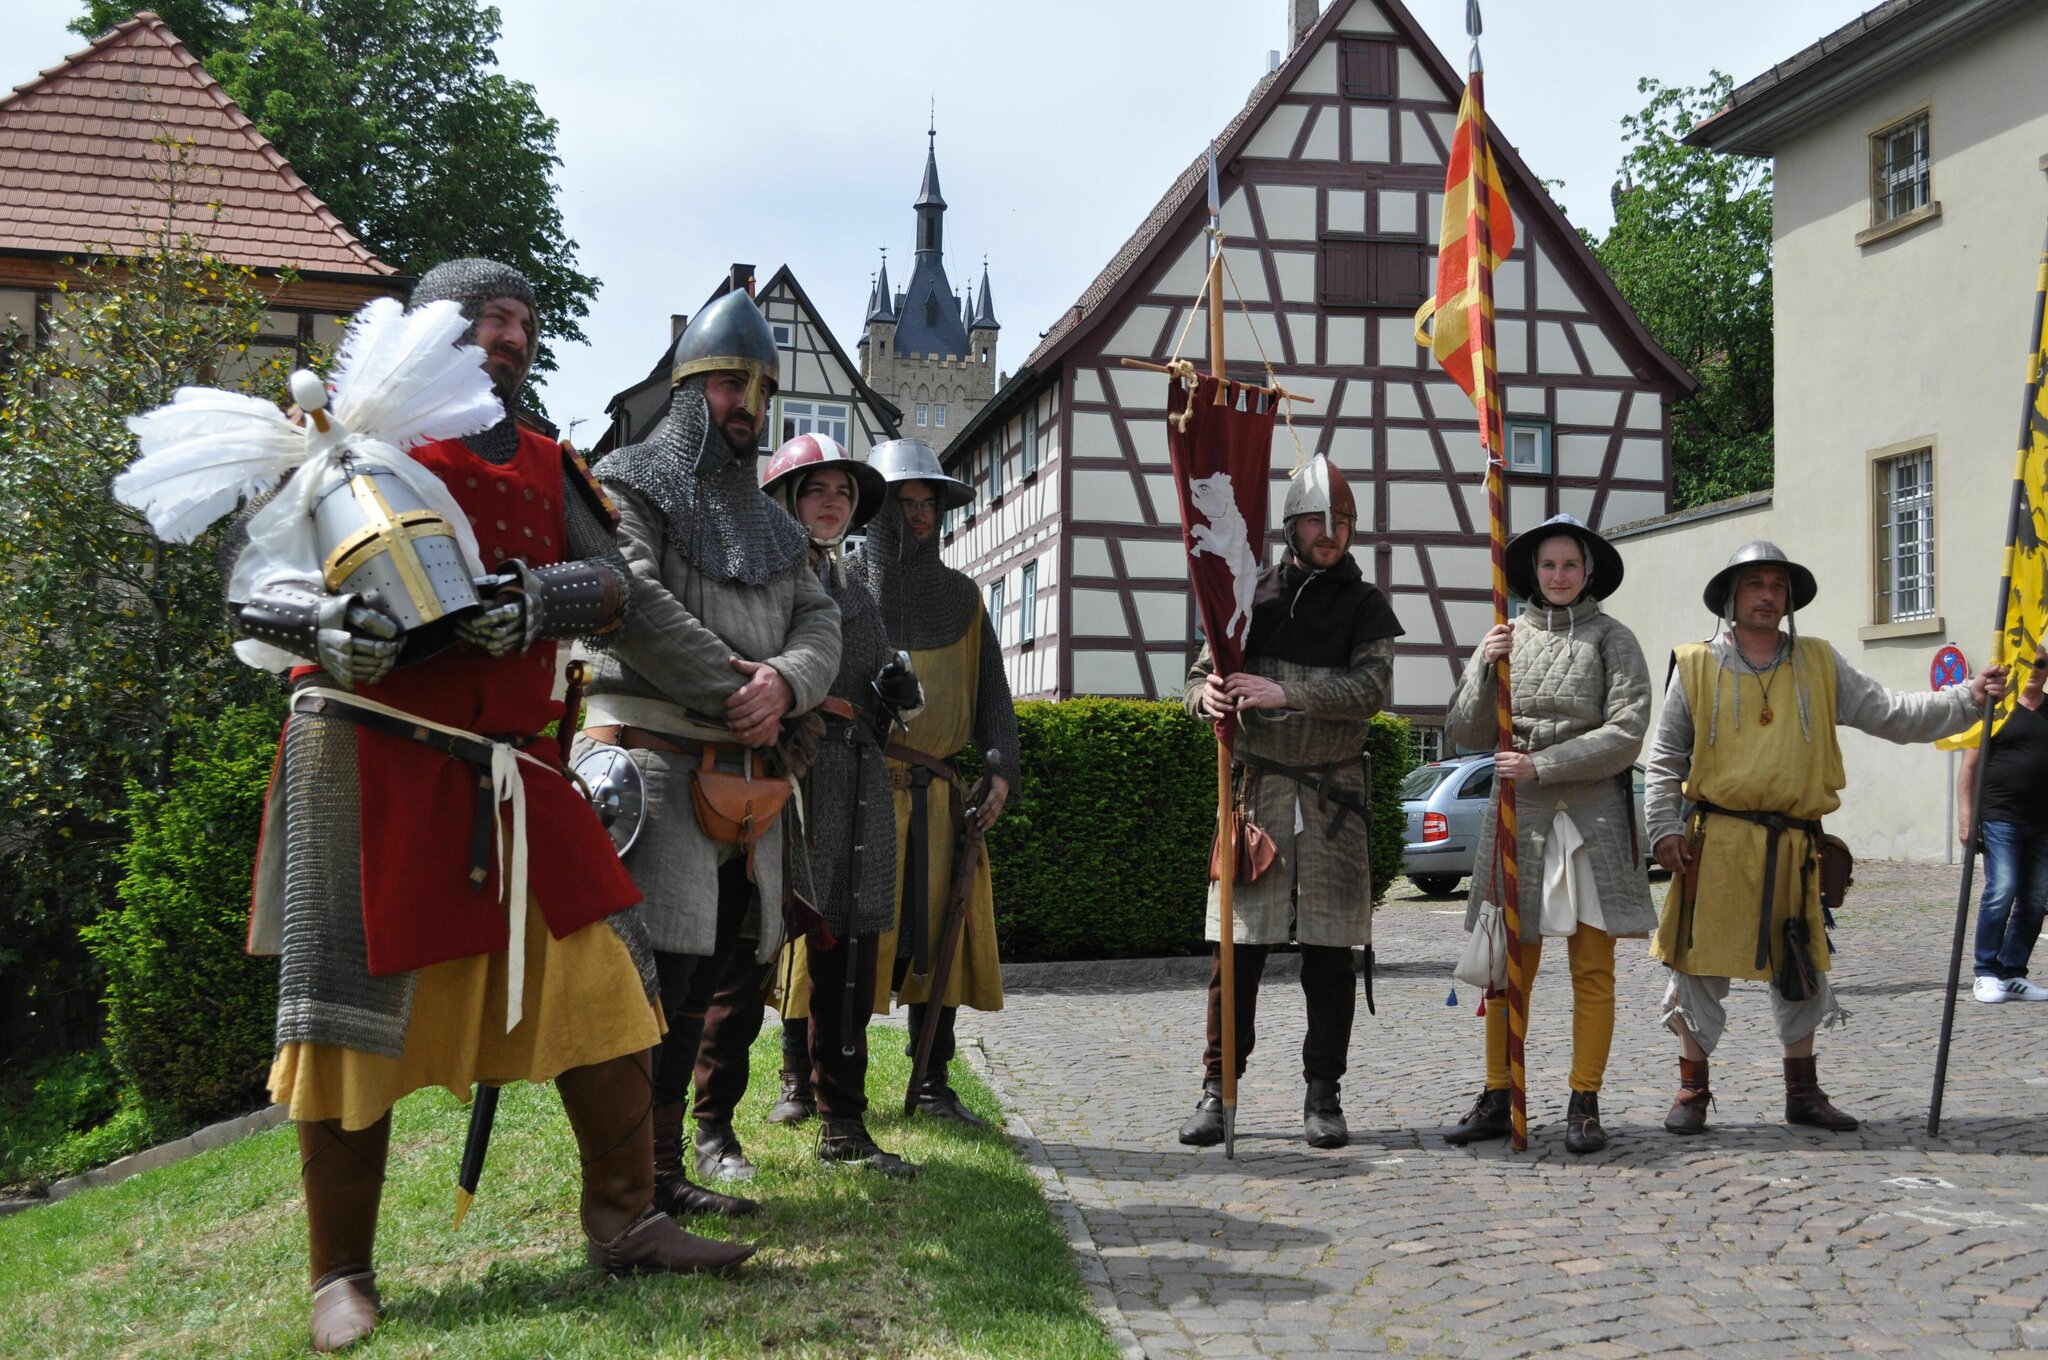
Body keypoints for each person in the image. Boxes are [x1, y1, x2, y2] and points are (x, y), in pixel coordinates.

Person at [235, 259, 751, 1352]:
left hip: (516, 766)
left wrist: (538, 599)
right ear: (433, 331)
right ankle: (341, 1272)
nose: (507, 337)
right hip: (371, 757)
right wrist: (322, 629)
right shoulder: (354, 439)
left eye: (521, 321)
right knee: (346, 1022)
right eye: (485, 319)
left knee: (608, 989)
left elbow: (614, 583)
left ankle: (624, 1220)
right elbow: (252, 584)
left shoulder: (545, 461)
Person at [574, 282, 841, 1209]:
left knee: (717, 972)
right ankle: (628, 1186)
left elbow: (820, 623)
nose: (748, 405)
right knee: (654, 972)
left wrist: (788, 684)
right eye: (731, 383)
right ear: (693, 386)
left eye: (759, 389)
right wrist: (742, 690)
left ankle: (659, 1175)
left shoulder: (773, 521)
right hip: (655, 761)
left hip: (745, 779)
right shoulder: (631, 481)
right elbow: (633, 601)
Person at [1646, 541, 2008, 1135]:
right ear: (1732, 597)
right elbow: (1664, 761)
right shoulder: (1694, 665)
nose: (1768, 595)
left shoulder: (1818, 662)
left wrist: (1966, 698)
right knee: (1697, 967)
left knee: (1801, 966)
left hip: (1793, 846)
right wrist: (1663, 829)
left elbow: (1893, 713)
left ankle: (1803, 1092)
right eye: (1756, 584)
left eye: (1778, 587)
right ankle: (1691, 1090)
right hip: (1717, 844)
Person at [1177, 454, 1402, 1150]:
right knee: (1236, 954)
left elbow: (1370, 692)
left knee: (1330, 953)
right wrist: (1205, 695)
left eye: (1340, 521)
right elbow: (1195, 677)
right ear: (1292, 524)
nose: (1328, 531)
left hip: (1334, 796)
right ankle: (1219, 1092)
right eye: (1316, 519)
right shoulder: (1249, 593)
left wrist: (1288, 692)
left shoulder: (1365, 606)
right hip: (1258, 794)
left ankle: (1323, 1094)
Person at [1437, 514, 1654, 1154]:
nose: (1559, 576)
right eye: (1549, 565)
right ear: (1533, 572)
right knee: (1508, 965)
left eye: (1571, 565)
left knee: (1593, 968)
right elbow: (1467, 732)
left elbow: (1625, 732)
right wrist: (1484, 667)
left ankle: (1584, 1101)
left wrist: (1544, 763)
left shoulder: (1615, 640)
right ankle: (1499, 1092)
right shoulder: (1503, 637)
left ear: (1588, 573)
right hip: (1519, 818)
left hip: (1591, 817)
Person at [756, 433, 923, 1174]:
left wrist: (895, 694)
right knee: (742, 954)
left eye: (844, 494)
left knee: (851, 957)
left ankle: (844, 1122)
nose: (832, 504)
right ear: (789, 498)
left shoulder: (857, 585)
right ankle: (708, 1133)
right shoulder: (762, 573)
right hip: (788, 778)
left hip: (855, 780)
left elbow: (875, 675)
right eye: (818, 490)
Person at [852, 437, 1020, 1125]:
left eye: (929, 503)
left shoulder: (961, 598)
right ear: (881, 509)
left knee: (939, 945)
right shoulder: (842, 587)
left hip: (940, 800)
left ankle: (933, 1081)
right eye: (905, 503)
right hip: (857, 791)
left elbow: (994, 700)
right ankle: (808, 1079)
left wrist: (1002, 769)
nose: (919, 516)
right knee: (837, 942)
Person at [1962, 642, 2048, 1003]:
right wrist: (1967, 817)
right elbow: (1969, 768)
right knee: (2003, 888)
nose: (2035, 668)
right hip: (2000, 815)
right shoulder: (1998, 709)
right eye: (2028, 662)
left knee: (2036, 898)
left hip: (2042, 821)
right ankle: (1985, 971)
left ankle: (2013, 972)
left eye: (2041, 663)